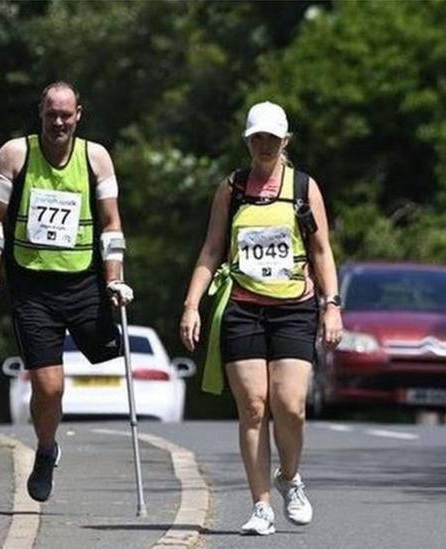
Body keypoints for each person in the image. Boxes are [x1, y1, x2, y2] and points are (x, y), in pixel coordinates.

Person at [179, 101, 343, 535]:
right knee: (253, 407)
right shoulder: (232, 188)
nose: (264, 145)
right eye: (257, 138)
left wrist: (333, 305)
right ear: (248, 141)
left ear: (285, 141)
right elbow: (212, 249)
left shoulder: (304, 187)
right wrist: (192, 305)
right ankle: (261, 507)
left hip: (294, 308)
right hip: (243, 309)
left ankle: (290, 478)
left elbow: (322, 252)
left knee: (289, 406)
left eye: (272, 138)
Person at [0, 81, 133, 502]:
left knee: (105, 358)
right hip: (33, 287)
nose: (58, 122)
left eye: (66, 115)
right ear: (40, 114)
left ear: (79, 113)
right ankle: (46, 449)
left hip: (83, 283)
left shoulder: (95, 157)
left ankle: (47, 443)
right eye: (51, 115)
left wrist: (115, 279)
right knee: (49, 388)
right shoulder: (14, 154)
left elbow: (111, 222)